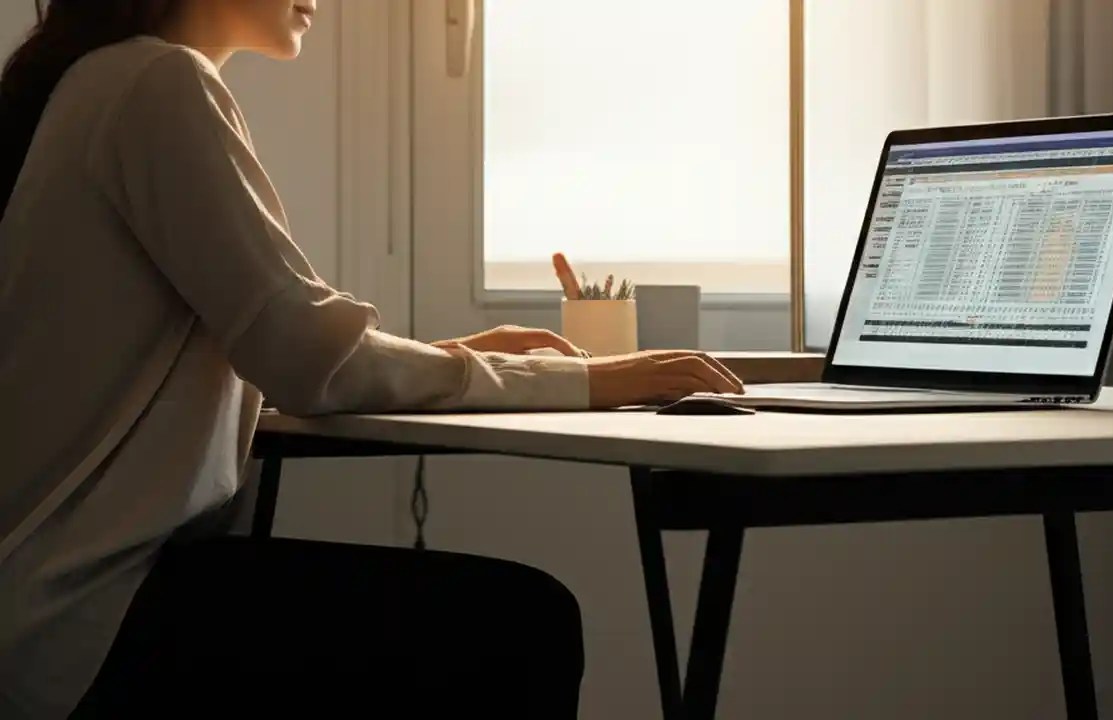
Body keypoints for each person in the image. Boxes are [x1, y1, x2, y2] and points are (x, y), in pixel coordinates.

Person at [0, 0, 744, 716]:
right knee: (519, 628)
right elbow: (306, 358)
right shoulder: (157, 86)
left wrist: (446, 356)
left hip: (64, 610)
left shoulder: (110, 81)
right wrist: (587, 379)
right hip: (87, 622)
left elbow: (284, 343)